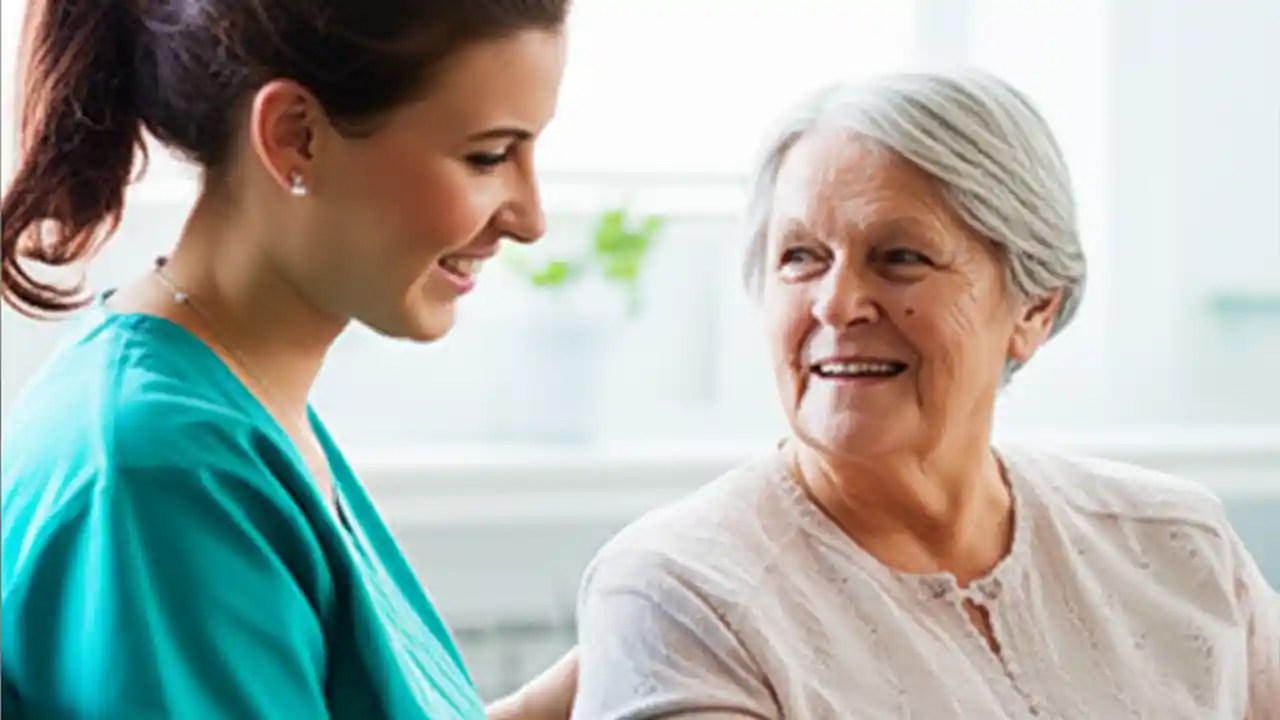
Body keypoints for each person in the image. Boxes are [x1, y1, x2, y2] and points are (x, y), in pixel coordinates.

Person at [572, 70, 1280, 719]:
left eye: (900, 257)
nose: (837, 304)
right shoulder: (680, 593)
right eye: (800, 258)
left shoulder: (1181, 543)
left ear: (1034, 308)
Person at [0, 0, 578, 717]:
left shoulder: (238, 402)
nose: (530, 217)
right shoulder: (163, 474)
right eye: (488, 157)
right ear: (294, 136)